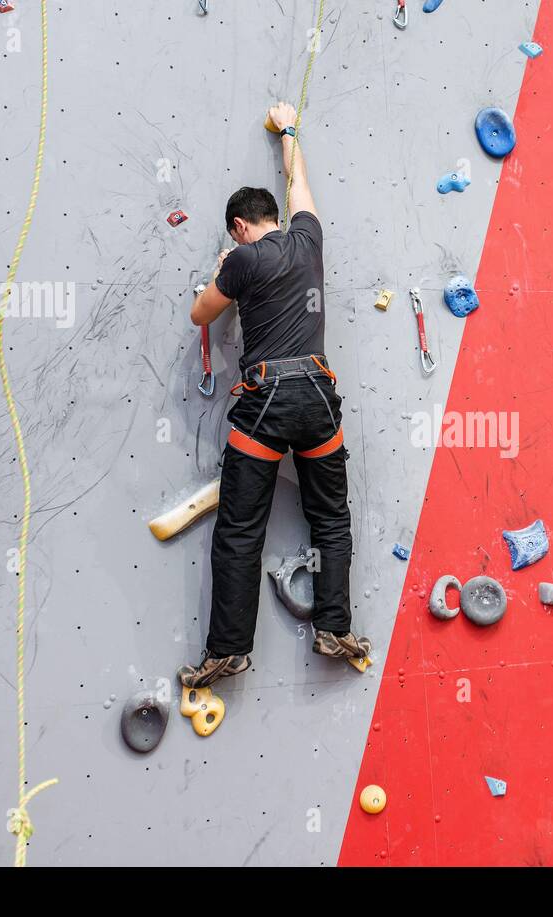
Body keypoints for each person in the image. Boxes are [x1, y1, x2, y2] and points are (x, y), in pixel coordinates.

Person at [179, 101, 369, 689]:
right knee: (330, 518)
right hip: (317, 395)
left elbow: (199, 314)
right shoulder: (308, 238)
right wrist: (288, 129)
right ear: (275, 217)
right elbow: (301, 185)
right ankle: (334, 628)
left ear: (238, 227)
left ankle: (229, 651)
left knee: (241, 528)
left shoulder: (240, 260)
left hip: (264, 403)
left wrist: (224, 273)